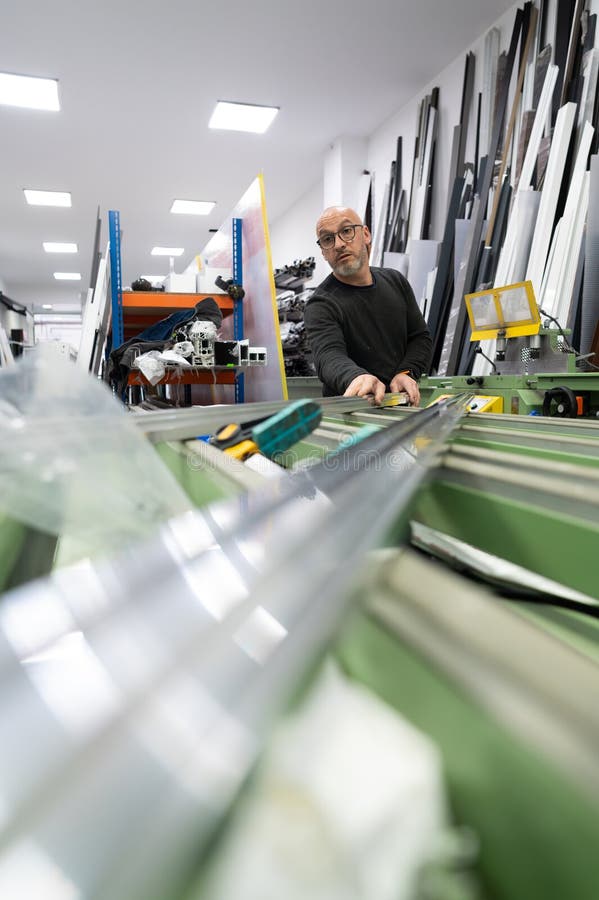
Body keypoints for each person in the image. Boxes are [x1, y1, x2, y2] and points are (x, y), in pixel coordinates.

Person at [304, 206, 432, 406]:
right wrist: (356, 377)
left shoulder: (395, 281)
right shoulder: (320, 304)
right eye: (328, 239)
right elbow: (328, 356)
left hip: (401, 407)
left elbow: (419, 337)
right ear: (323, 252)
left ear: (365, 234)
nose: (338, 244)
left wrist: (406, 372)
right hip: (352, 414)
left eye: (346, 231)